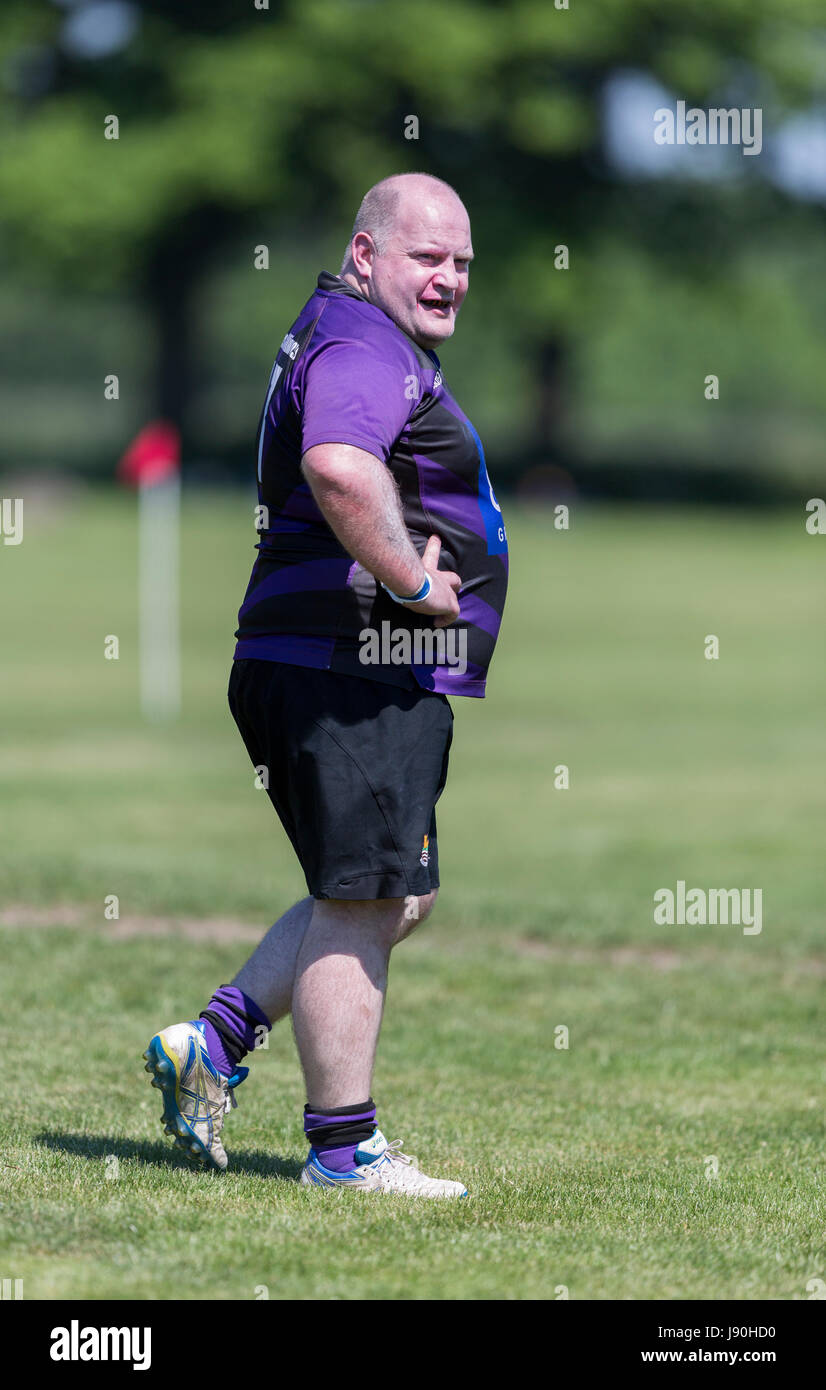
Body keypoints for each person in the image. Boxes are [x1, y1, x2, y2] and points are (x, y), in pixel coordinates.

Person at [143, 172, 508, 1198]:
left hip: (326, 665)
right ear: (364, 254)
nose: (449, 278)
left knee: (397, 894)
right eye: (426, 256)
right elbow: (340, 467)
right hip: (344, 667)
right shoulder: (361, 345)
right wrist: (415, 582)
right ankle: (343, 1153)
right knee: (364, 901)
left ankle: (212, 1046)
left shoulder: (353, 333)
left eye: (463, 262)